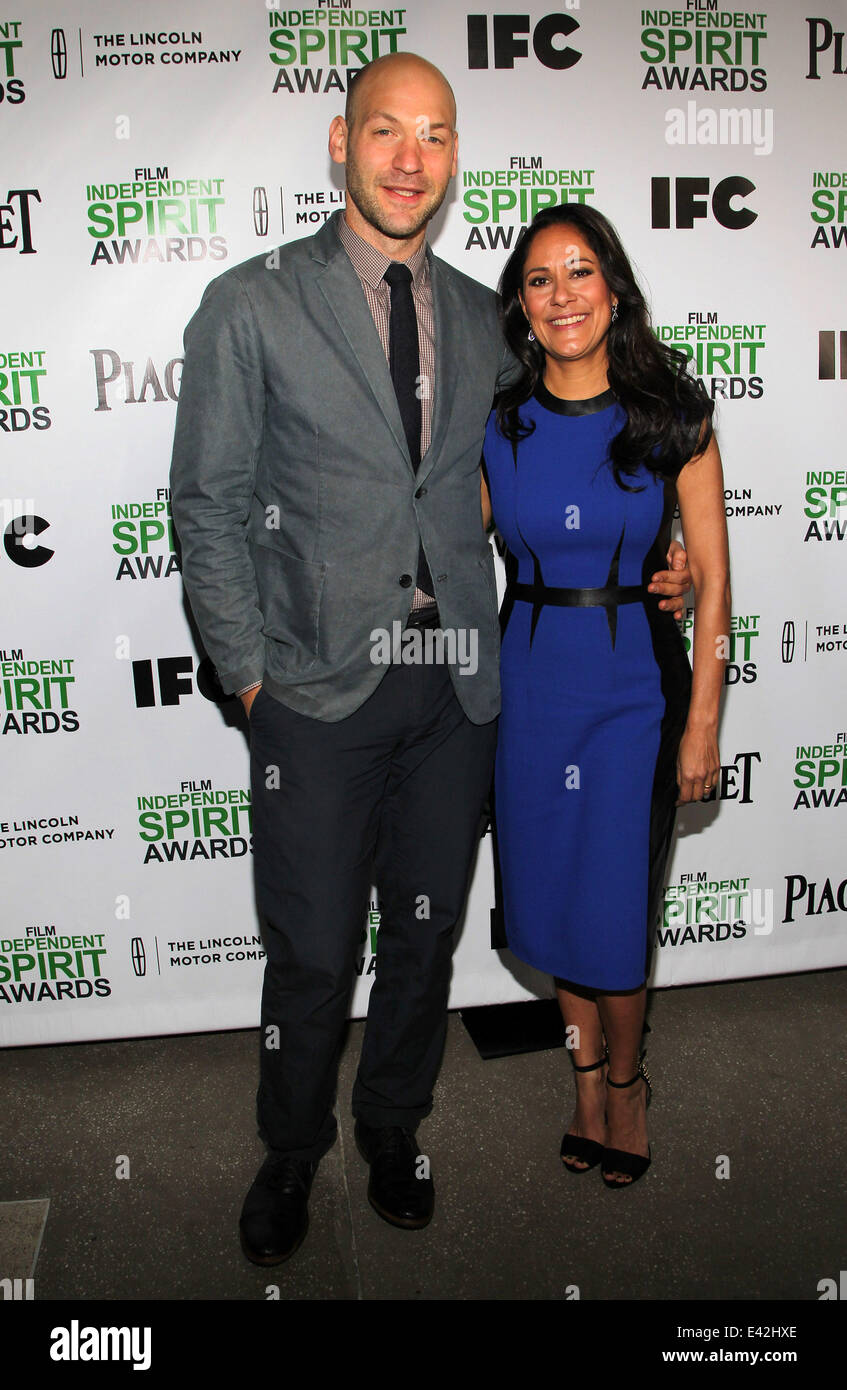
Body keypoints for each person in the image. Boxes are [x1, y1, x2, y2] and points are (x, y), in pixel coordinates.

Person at [170, 52, 692, 1265]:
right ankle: (290, 1150)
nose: (412, 158)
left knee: (422, 931)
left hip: (461, 684)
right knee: (309, 947)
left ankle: (392, 1126)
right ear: (339, 142)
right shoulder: (249, 303)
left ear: (456, 157)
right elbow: (208, 502)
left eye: (438, 135)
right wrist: (249, 676)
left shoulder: (480, 316)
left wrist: (668, 556)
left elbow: (576, 444)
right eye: (388, 132)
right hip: (311, 687)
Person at [481, 204, 730, 1188]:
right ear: (521, 306)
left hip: (637, 689)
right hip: (531, 685)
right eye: (540, 280)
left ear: (614, 287)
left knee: (615, 907)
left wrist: (703, 716)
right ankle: (582, 1075)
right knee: (550, 901)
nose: (562, 295)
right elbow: (451, 547)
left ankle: (626, 1083)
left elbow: (710, 577)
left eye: (579, 273)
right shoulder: (498, 423)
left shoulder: (672, 414)